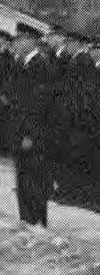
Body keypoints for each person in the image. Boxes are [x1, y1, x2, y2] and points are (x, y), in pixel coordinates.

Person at [10, 21, 54, 225]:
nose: (16, 44)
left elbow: (39, 105)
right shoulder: (22, 63)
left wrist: (30, 135)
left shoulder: (40, 65)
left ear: (31, 41)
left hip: (33, 134)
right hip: (19, 131)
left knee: (35, 180)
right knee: (23, 180)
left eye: (19, 40)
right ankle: (26, 219)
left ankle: (37, 221)